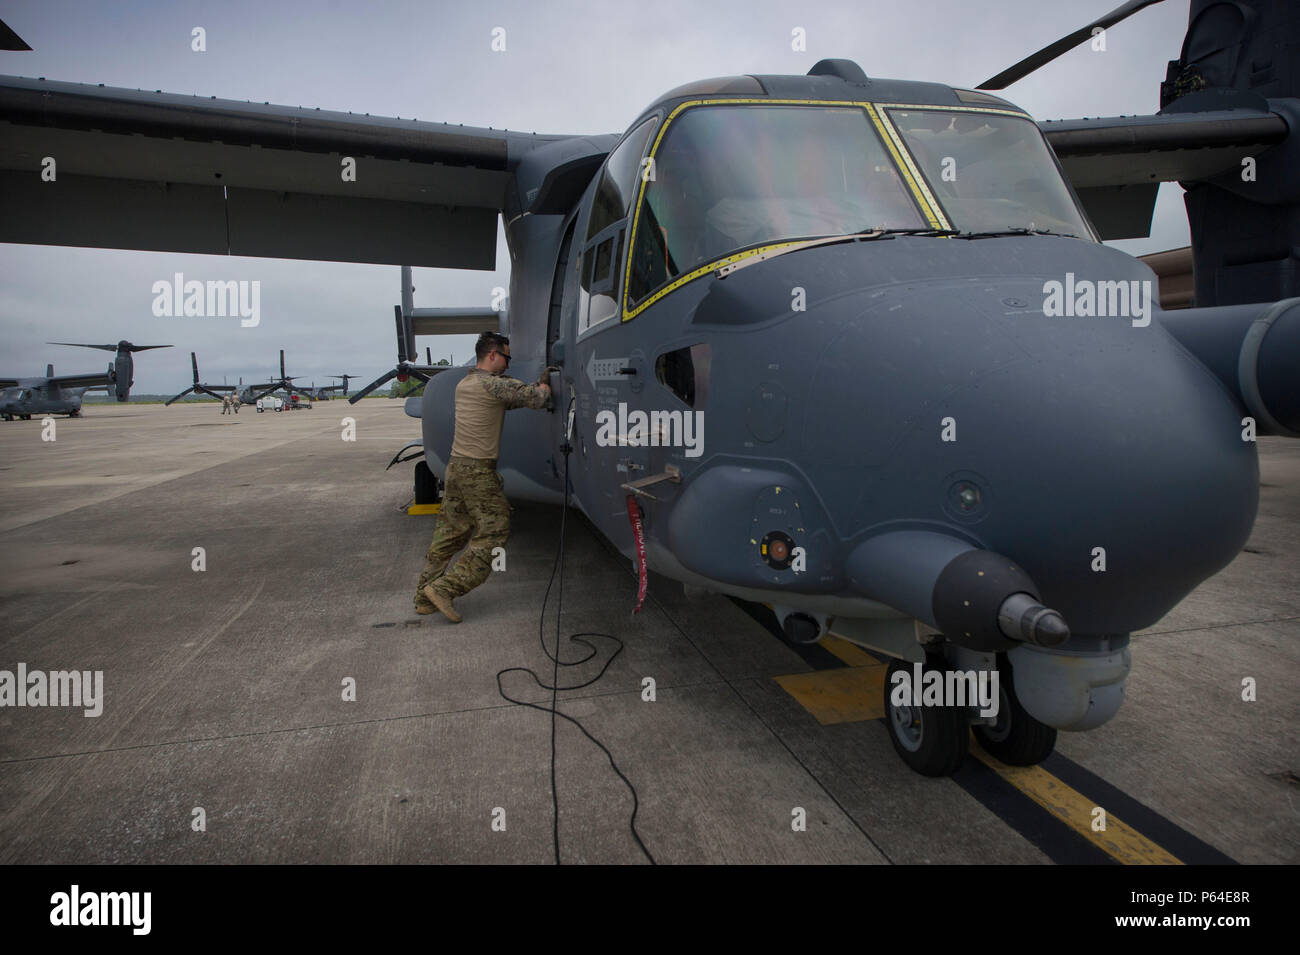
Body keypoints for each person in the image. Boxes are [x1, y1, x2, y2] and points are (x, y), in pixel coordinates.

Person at [416, 331, 551, 622]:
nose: (508, 362)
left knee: (449, 534)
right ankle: (445, 588)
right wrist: (545, 386)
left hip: (456, 468)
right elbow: (535, 399)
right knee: (495, 530)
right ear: (492, 355)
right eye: (506, 356)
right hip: (477, 471)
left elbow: (508, 400)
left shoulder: (467, 383)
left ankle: (422, 596)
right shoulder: (492, 384)